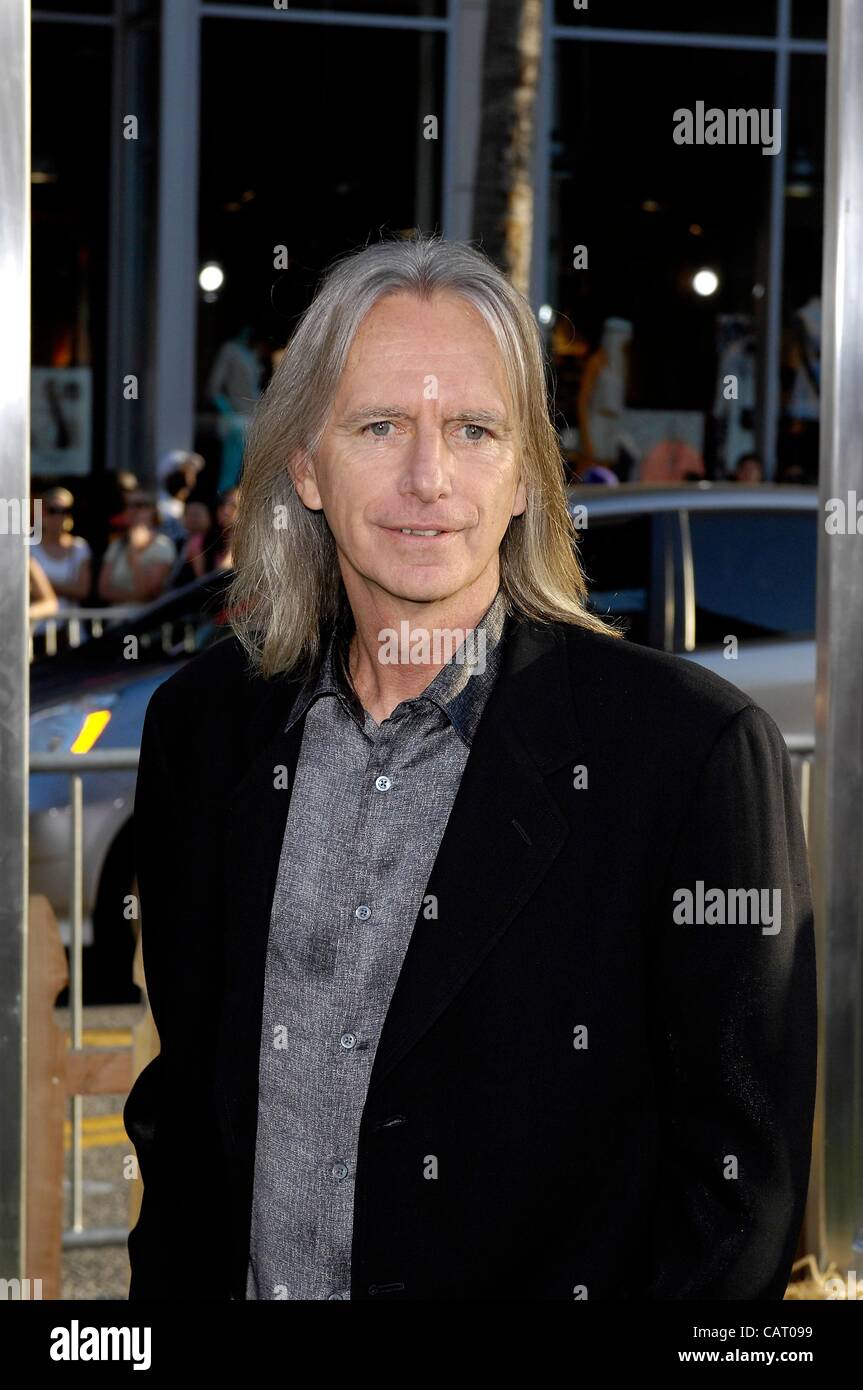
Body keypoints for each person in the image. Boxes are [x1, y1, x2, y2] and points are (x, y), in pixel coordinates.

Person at [124, 234, 817, 1302]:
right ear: (305, 466)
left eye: (472, 430)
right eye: (380, 425)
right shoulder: (204, 730)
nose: (425, 478)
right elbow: (185, 1105)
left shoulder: (684, 759)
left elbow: (738, 1204)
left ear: (524, 476)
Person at [29, 486, 92, 634]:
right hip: (38, 631)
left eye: (65, 511)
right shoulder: (29, 547)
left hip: (72, 632)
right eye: (53, 510)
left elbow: (83, 590)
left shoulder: (80, 547)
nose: (59, 517)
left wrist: (42, 586)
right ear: (42, 512)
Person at [97, 490, 176, 605]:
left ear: (153, 510)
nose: (132, 510)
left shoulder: (163, 545)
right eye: (128, 505)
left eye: (139, 505)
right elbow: (103, 591)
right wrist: (134, 596)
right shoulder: (117, 545)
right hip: (116, 620)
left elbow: (148, 593)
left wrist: (134, 553)